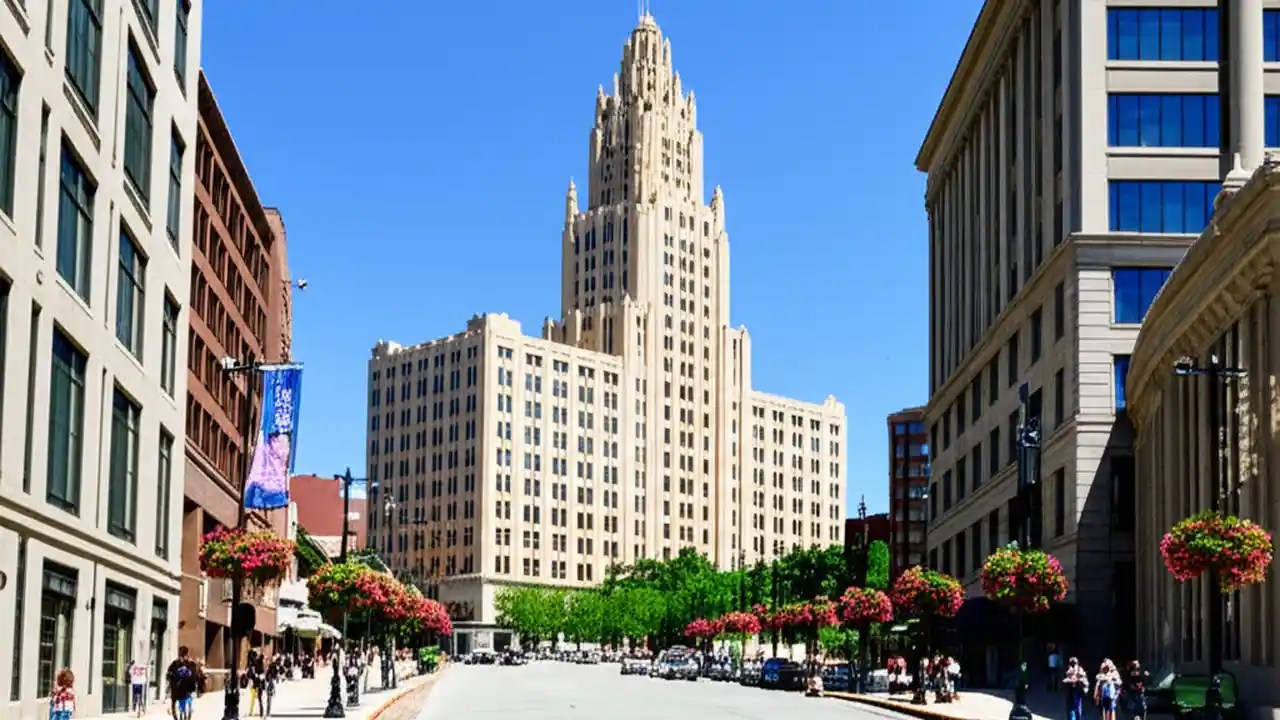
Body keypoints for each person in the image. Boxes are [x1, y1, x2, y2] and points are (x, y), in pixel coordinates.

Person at [166, 647, 202, 720]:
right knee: (180, 703)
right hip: (182, 689)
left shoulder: (182, 663)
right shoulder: (186, 664)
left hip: (180, 689)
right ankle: (181, 714)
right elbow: (169, 674)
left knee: (179, 702)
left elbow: (169, 674)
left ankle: (182, 714)